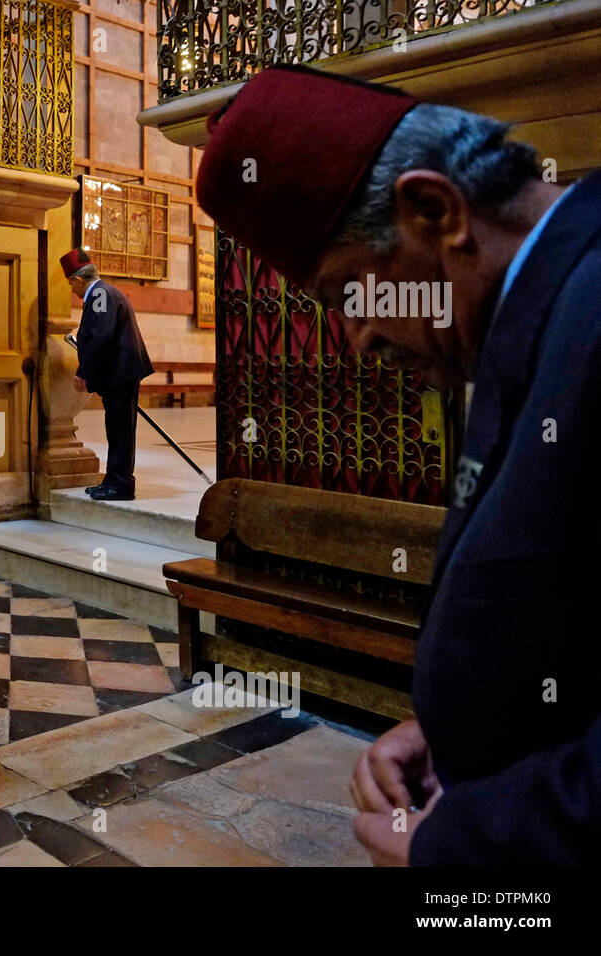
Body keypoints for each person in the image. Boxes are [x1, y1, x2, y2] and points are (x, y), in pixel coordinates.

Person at [195, 63, 601, 865]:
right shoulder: (514, 323)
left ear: (435, 211)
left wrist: (462, 849)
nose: (358, 338)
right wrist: (449, 730)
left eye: (351, 292)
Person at [61, 248, 154, 501]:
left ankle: (121, 485)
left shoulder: (100, 293)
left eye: (71, 283)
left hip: (121, 373)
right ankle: (113, 480)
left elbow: (100, 336)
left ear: (79, 280)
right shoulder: (101, 294)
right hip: (118, 373)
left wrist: (85, 372)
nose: (72, 289)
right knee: (116, 428)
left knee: (120, 430)